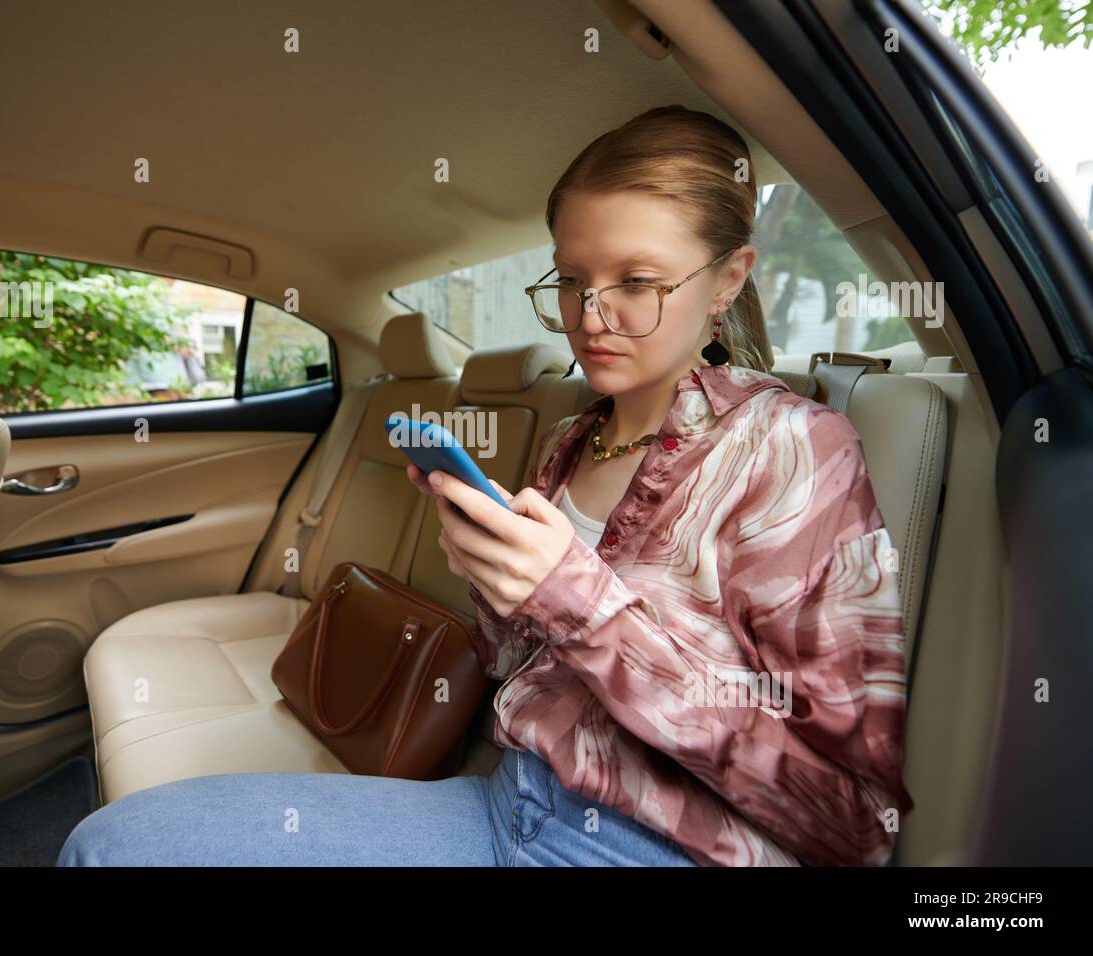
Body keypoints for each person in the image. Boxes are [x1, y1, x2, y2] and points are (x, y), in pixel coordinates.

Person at [57, 105, 912, 867]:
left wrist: (580, 602)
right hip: (505, 804)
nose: (589, 315)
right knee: (113, 846)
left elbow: (852, 820)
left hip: (652, 845)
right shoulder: (574, 438)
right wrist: (495, 577)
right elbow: (515, 666)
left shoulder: (795, 452)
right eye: (572, 279)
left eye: (637, 283)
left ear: (728, 279)